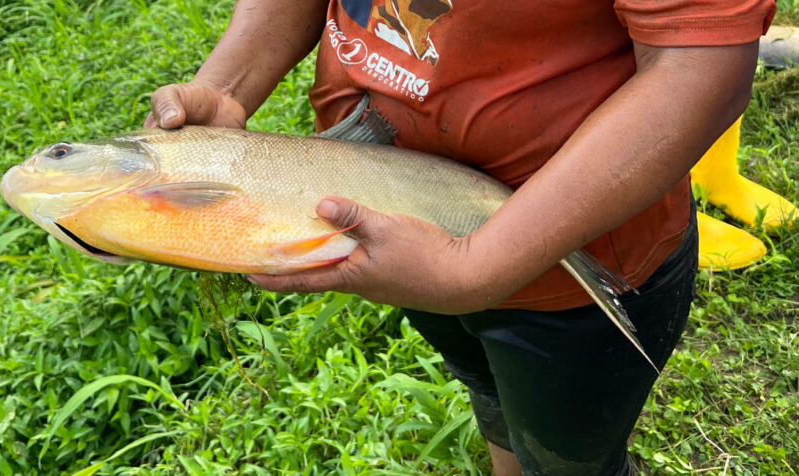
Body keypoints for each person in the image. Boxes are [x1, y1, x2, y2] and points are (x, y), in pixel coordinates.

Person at [145, 1, 776, 474]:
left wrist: (475, 268)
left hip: (576, 275)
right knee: (490, 388)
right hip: (408, 237)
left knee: (572, 456)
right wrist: (227, 89)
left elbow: (699, 67)